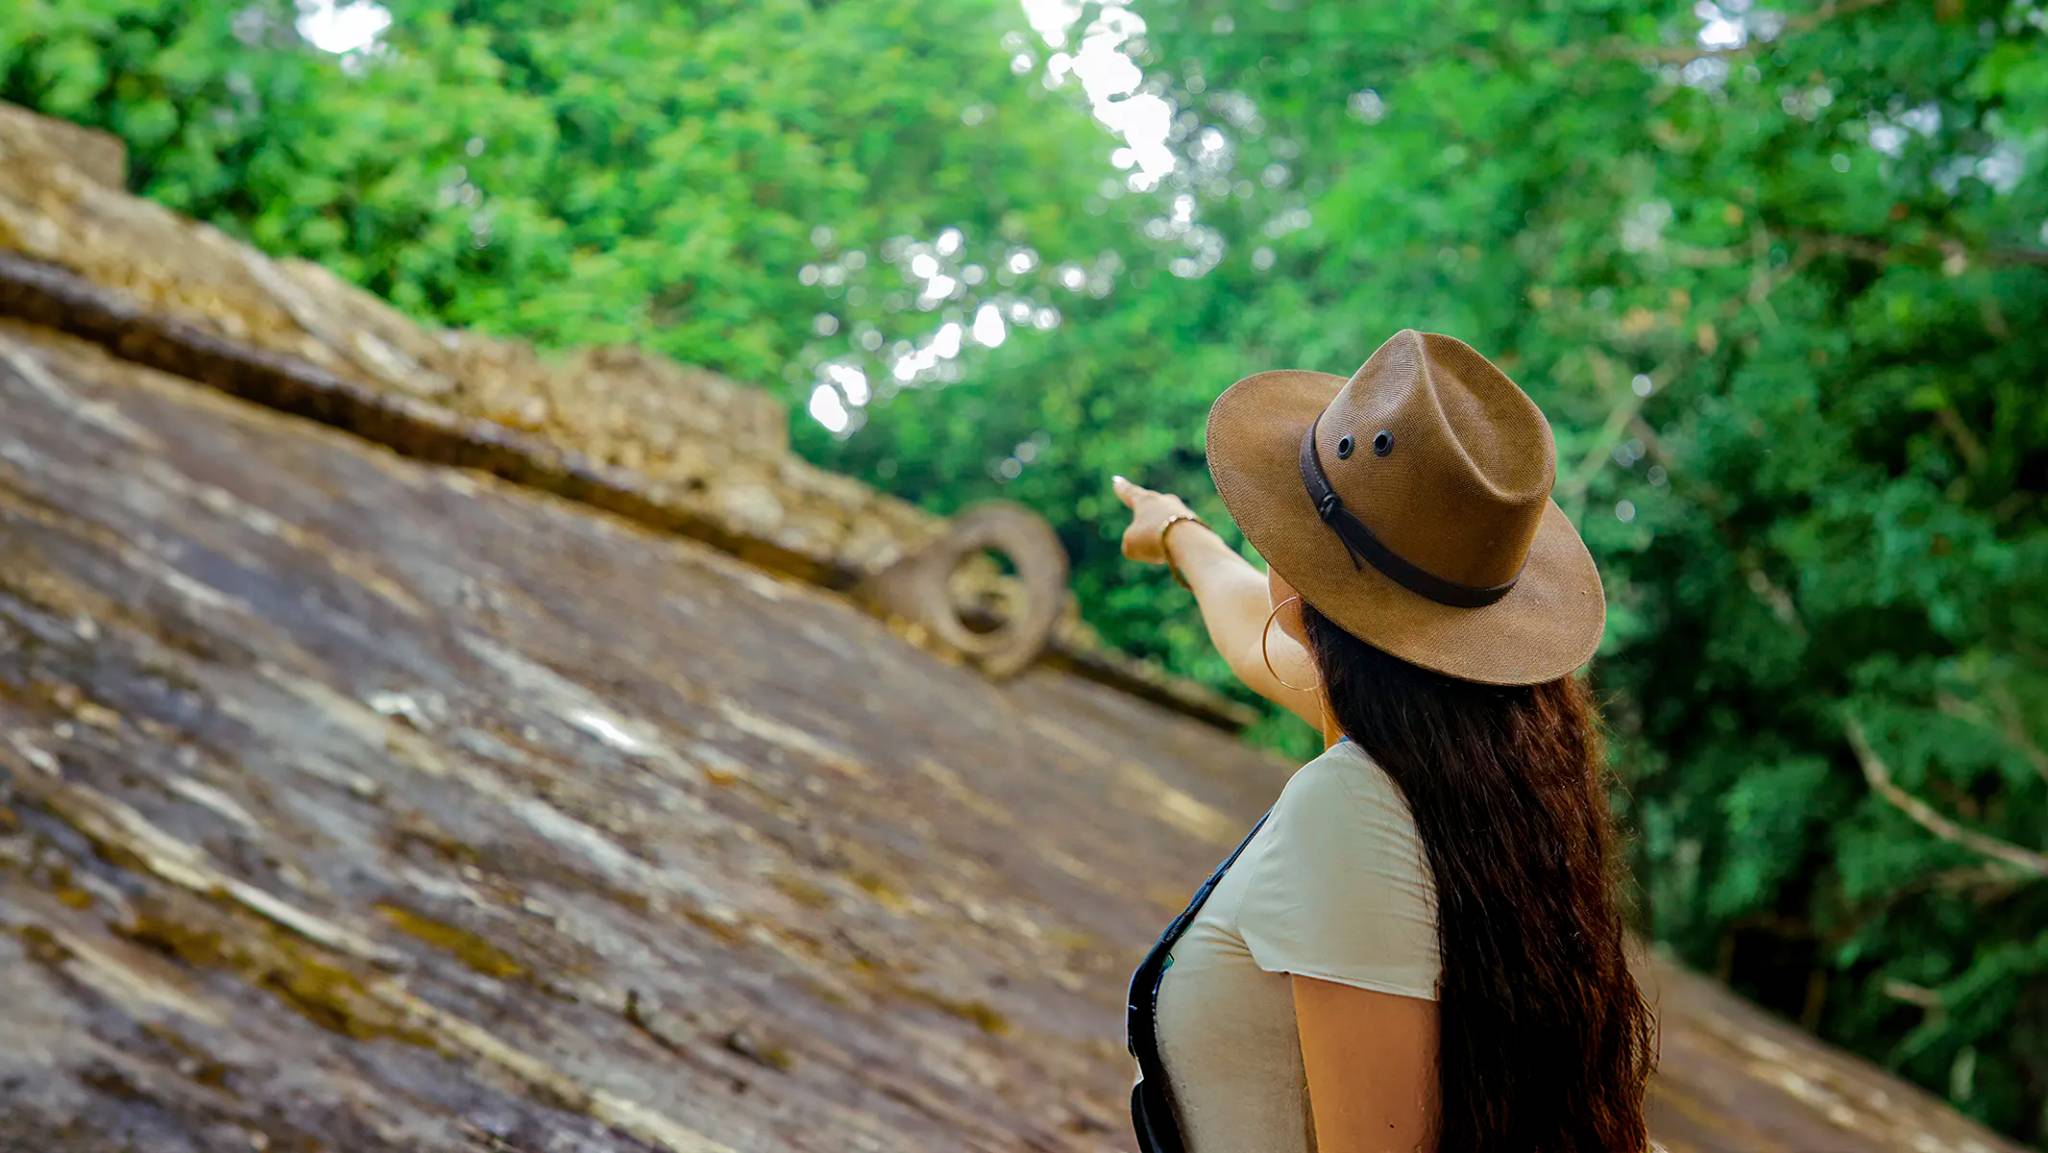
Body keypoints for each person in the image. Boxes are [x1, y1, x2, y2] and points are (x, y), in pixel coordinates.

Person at [1114, 330, 1655, 1153]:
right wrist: (1176, 531)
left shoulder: (1350, 811)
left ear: (1300, 581)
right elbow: (1257, 630)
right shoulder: (1476, 765)